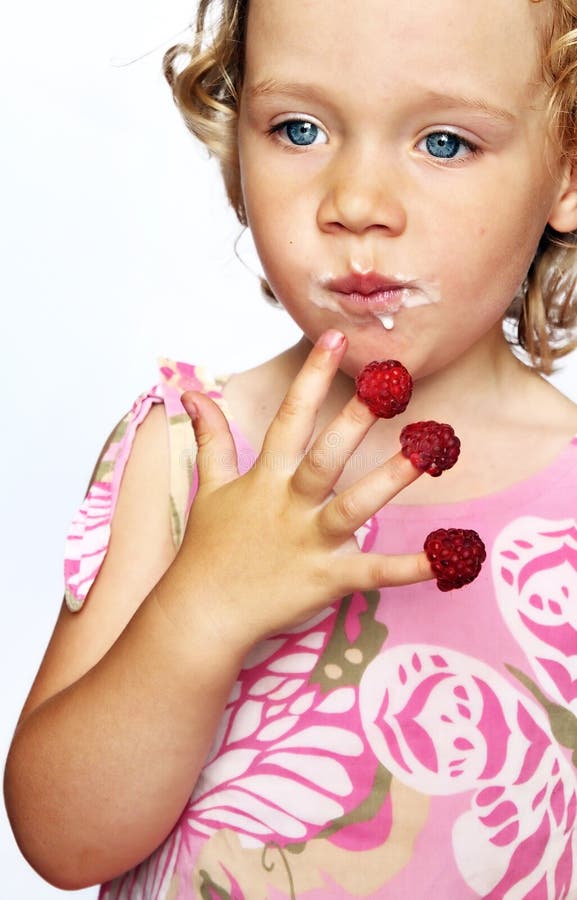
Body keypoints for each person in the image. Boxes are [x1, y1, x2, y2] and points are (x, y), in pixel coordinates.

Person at [5, 0, 577, 896]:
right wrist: (199, 612)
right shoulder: (191, 451)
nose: (355, 204)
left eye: (443, 143)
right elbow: (63, 841)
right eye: (299, 128)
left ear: (568, 169)